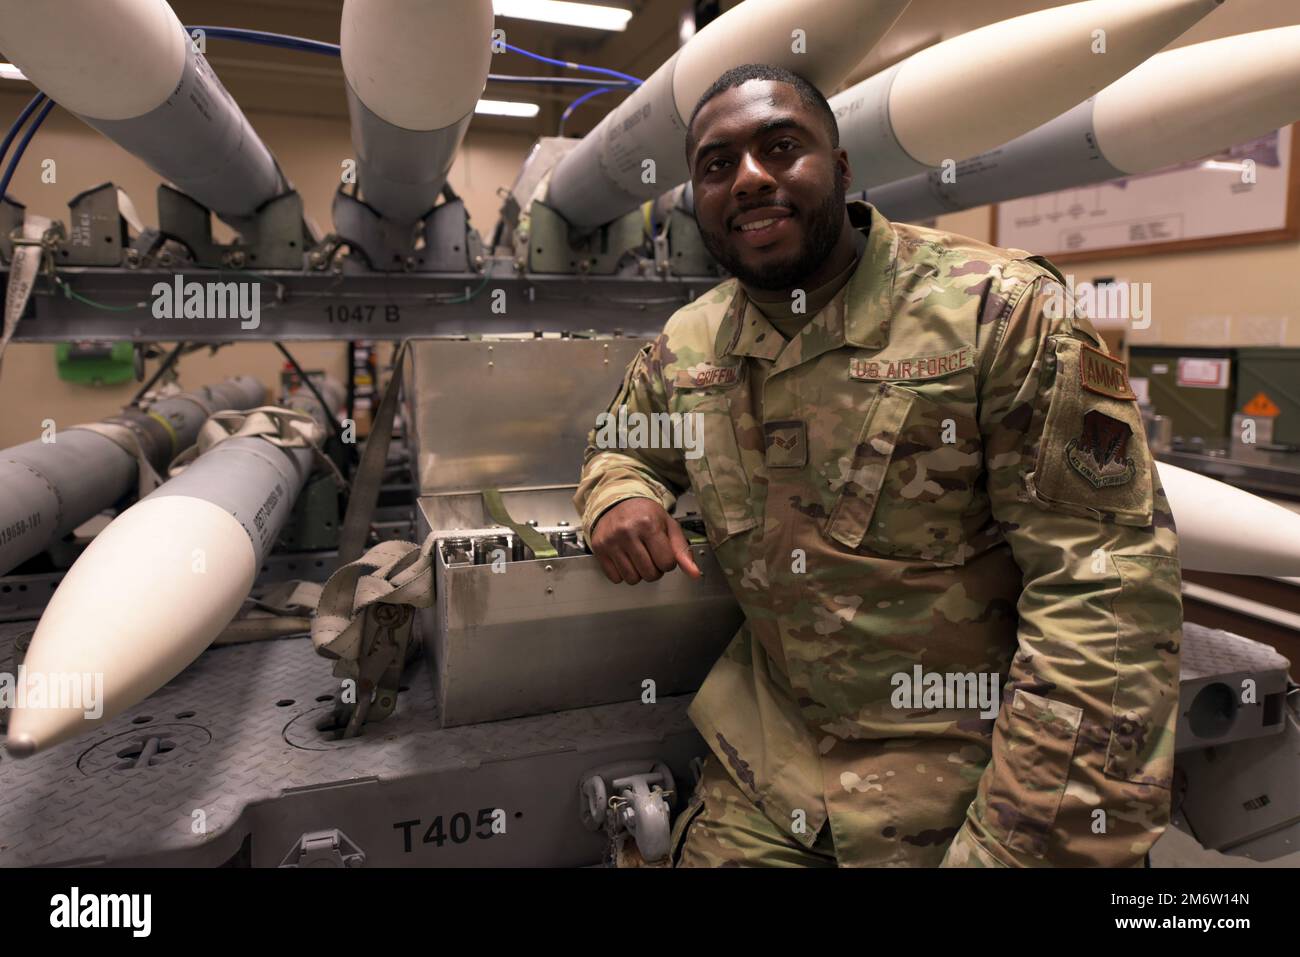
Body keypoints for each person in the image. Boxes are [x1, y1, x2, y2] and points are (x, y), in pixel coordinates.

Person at [573, 63, 1181, 867]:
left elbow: (1106, 600)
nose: (750, 179)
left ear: (842, 168)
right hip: (772, 776)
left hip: (975, 784)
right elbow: (620, 438)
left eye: (781, 148)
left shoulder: (999, 313)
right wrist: (618, 493)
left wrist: (1017, 844)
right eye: (717, 166)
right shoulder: (690, 342)